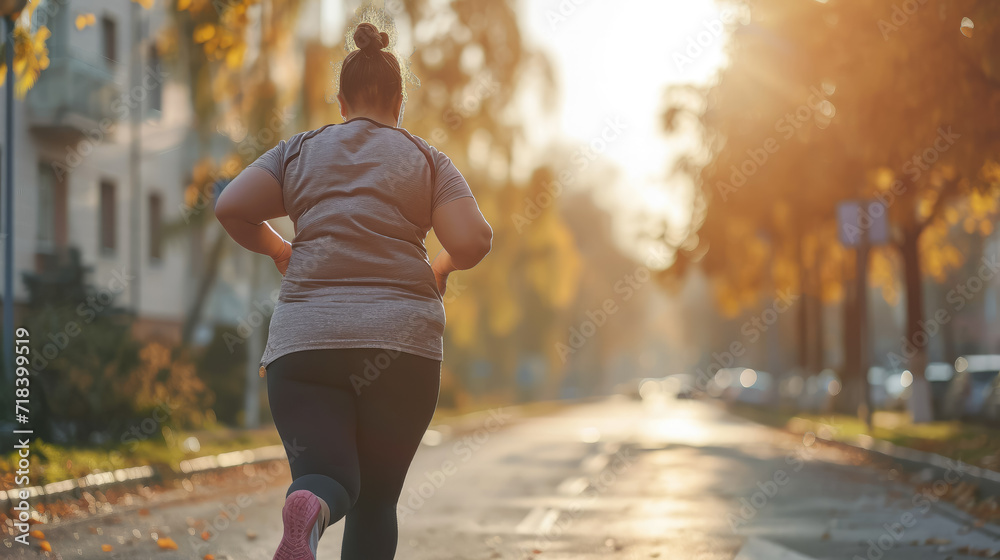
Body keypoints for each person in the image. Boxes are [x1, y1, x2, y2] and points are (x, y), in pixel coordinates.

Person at [215, 21, 492, 560]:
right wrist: (439, 268)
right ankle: (317, 507)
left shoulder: (298, 152)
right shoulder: (427, 159)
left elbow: (231, 206)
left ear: (341, 102)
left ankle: (310, 505)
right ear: (400, 99)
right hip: (401, 342)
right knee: (377, 498)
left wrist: (280, 250)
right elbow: (474, 240)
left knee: (325, 473)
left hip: (305, 343)